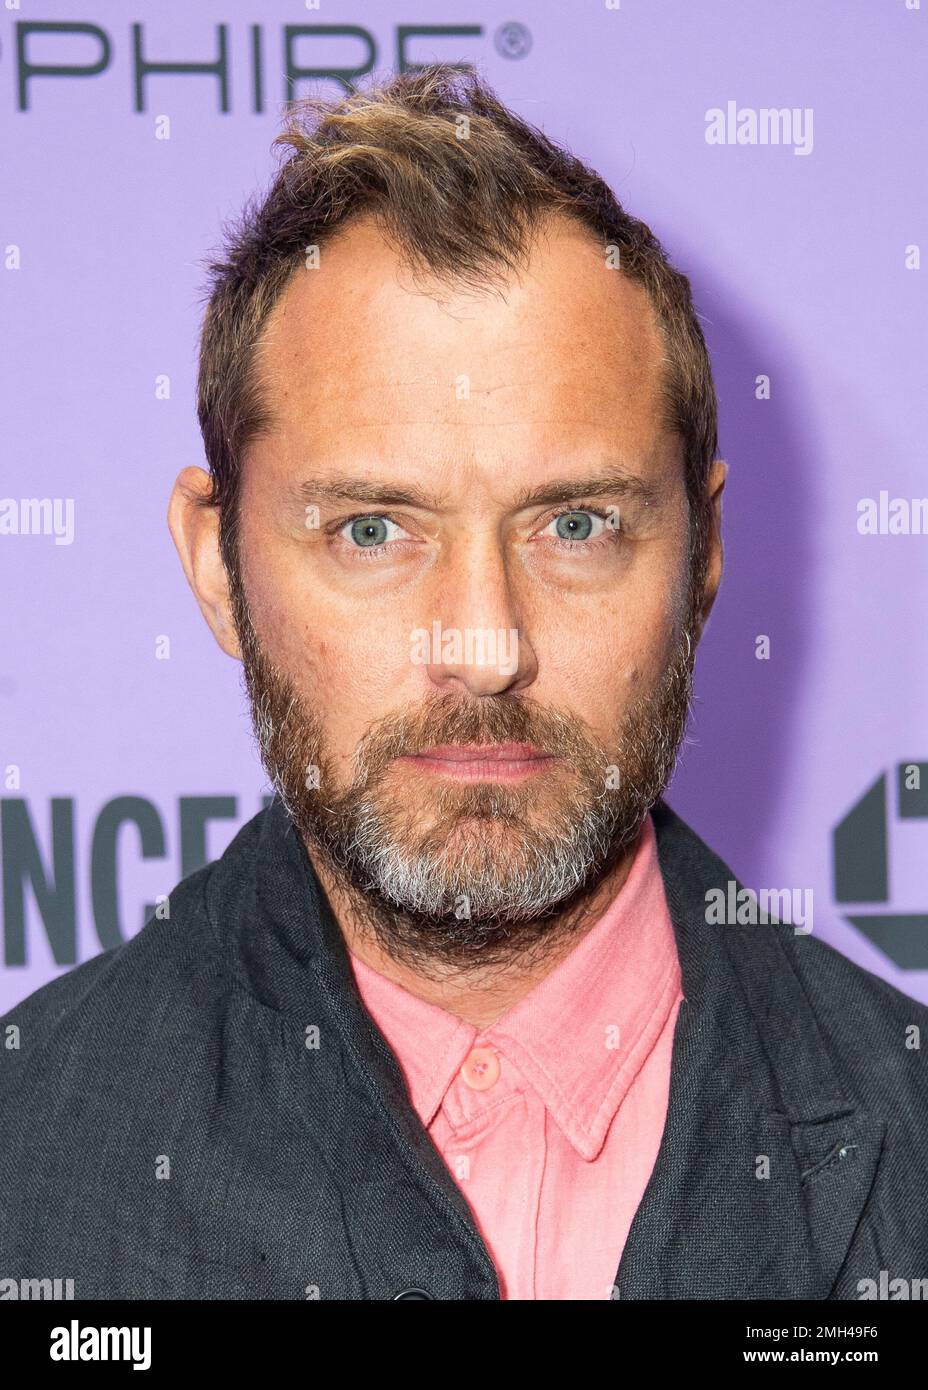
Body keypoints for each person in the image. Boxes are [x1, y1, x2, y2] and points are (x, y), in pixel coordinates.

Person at [2, 65, 926, 1302]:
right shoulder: (30, 1159)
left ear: (701, 555)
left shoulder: (903, 1128)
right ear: (216, 565)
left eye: (579, 525)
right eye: (374, 531)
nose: (485, 647)